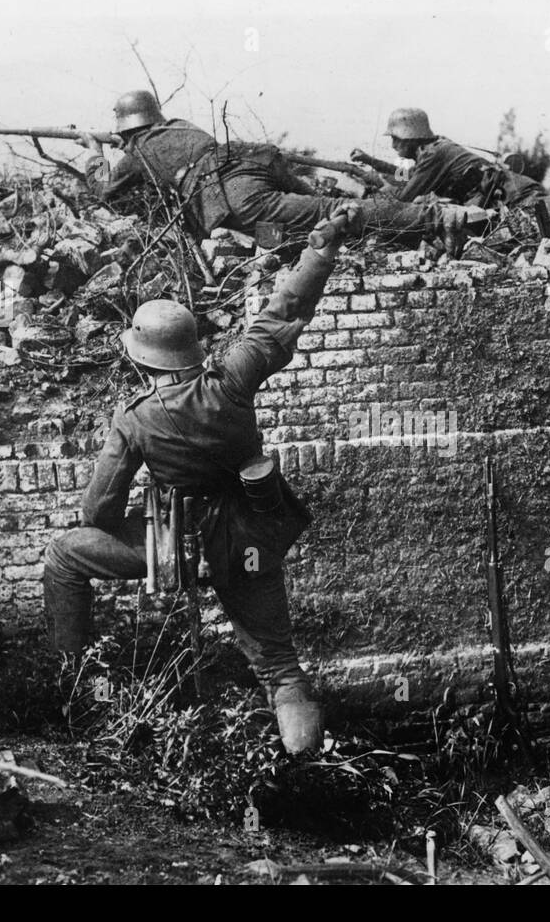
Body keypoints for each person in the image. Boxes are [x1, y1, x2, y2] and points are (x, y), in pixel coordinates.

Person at [41, 209, 363, 755]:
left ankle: (71, 690)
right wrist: (321, 250)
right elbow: (286, 312)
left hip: (174, 551)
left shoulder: (135, 418)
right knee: (281, 667)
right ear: (190, 349)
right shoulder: (234, 378)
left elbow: (97, 513)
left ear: (143, 360)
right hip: (249, 543)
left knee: (65, 556)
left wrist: (148, 531)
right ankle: (306, 765)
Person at [77, 90, 468, 254]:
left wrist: (95, 154)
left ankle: (437, 220)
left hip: (239, 198)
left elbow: (105, 191)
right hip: (253, 166)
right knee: (322, 210)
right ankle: (414, 225)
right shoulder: (180, 125)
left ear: (127, 128)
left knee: (337, 215)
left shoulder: (138, 151)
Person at [372, 107, 550, 238]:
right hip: (506, 196)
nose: (394, 144)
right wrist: (374, 165)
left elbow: (406, 196)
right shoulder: (432, 151)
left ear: (411, 136)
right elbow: (409, 179)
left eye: (396, 138)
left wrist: (376, 193)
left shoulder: (434, 155)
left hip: (514, 194)